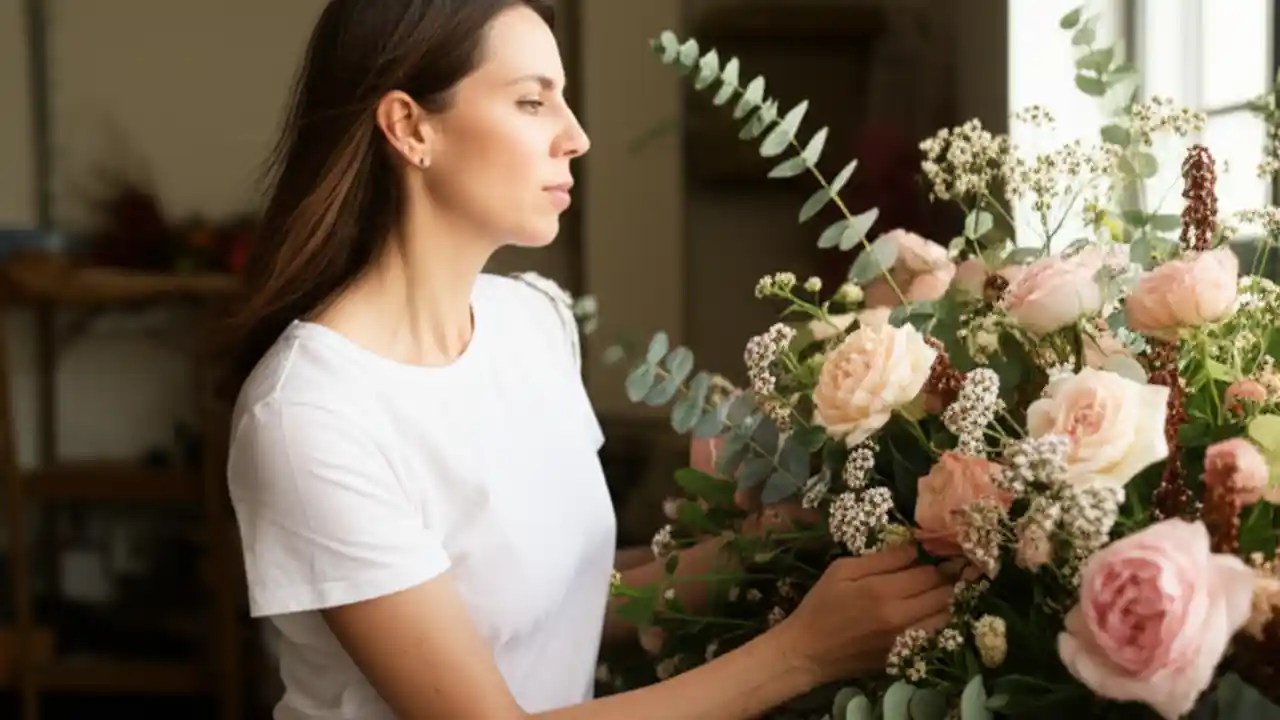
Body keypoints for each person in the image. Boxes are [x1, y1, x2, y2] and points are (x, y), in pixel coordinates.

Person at [220, 1, 956, 718]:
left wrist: (789, 535)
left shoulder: (531, 321)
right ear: (410, 127)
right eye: (532, 102)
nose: (576, 136)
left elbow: (561, 601)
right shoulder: (309, 415)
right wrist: (807, 652)